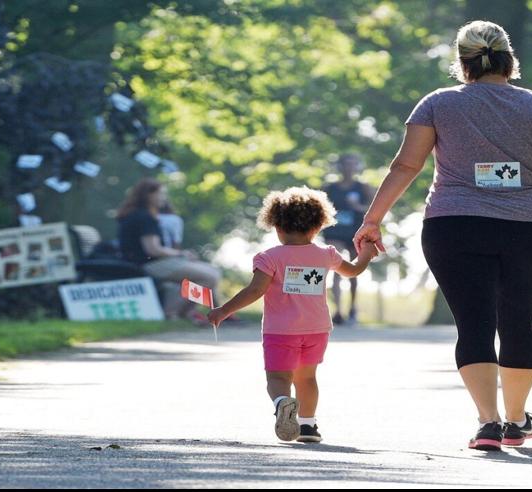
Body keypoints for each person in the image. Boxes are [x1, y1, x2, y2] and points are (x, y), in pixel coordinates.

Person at [351, 19, 532, 452]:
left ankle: (488, 423)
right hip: (531, 228)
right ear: (509, 60)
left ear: (462, 63)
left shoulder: (437, 103)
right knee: (518, 322)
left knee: (473, 324)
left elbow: (406, 166)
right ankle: (516, 420)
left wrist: (373, 219)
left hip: (454, 225)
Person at [206, 187, 377, 443]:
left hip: (280, 331)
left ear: (276, 226)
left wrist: (223, 311)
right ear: (318, 226)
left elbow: (255, 291)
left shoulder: (269, 258)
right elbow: (352, 271)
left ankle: (283, 402)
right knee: (307, 378)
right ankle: (308, 427)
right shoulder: (326, 254)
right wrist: (366, 253)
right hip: (316, 329)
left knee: (277, 377)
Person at [115, 178, 222, 321]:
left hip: (149, 263)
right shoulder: (144, 217)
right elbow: (152, 250)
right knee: (210, 277)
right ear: (149, 195)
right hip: (150, 265)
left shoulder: (137, 214)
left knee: (213, 272)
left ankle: (187, 312)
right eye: (161, 194)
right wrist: (181, 254)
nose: (164, 198)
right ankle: (172, 311)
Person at [323, 153, 373, 324]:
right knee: (336, 267)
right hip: (335, 231)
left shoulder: (363, 187)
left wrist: (358, 207)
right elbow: (321, 208)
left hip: (355, 231)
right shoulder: (330, 188)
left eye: (353, 164)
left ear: (357, 167)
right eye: (346, 164)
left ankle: (352, 308)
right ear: (340, 167)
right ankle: (337, 311)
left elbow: (373, 208)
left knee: (354, 270)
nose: (349, 168)